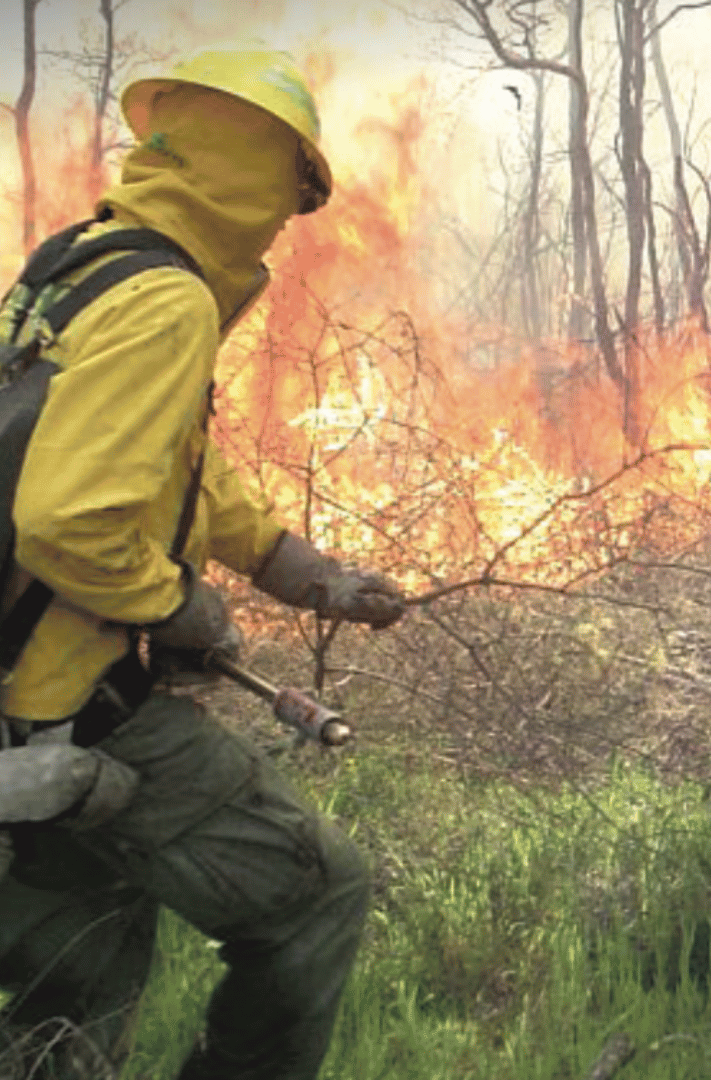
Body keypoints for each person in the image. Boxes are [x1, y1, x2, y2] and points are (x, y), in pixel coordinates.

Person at [0, 47, 406, 1079]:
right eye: (290, 196)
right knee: (317, 893)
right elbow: (69, 519)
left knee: (80, 975)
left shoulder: (79, 264)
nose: (284, 226)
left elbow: (157, 458)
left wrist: (288, 565)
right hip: (76, 697)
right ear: (251, 175)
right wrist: (183, 607)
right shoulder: (168, 300)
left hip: (12, 703)